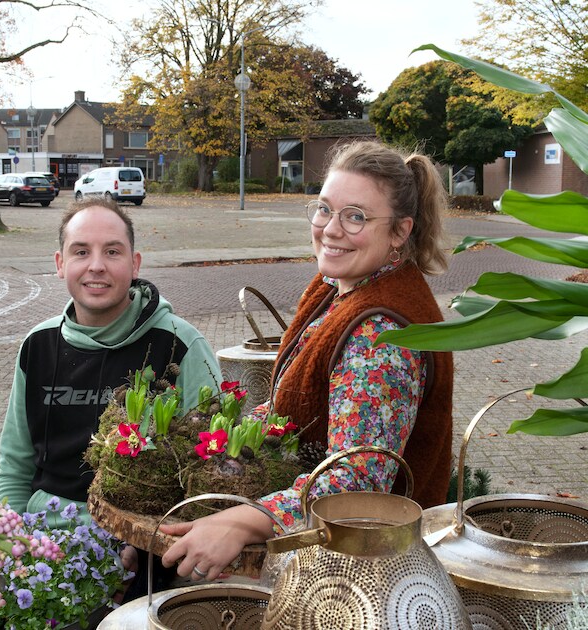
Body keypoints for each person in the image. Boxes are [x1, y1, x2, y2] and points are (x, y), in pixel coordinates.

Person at [160, 140, 454, 581]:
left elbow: (358, 483)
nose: (331, 229)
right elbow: (298, 405)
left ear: (399, 231)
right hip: (325, 560)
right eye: (324, 209)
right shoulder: (338, 288)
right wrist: (211, 440)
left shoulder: (381, 335)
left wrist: (244, 522)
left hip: (362, 577)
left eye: (356, 216)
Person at [0, 197, 221, 589]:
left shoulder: (180, 345)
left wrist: (149, 548)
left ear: (135, 264)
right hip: (42, 547)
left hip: (143, 554)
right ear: (60, 263)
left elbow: (210, 478)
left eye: (112, 252)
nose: (96, 265)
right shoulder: (38, 345)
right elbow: (15, 464)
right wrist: (8, 544)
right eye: (81, 251)